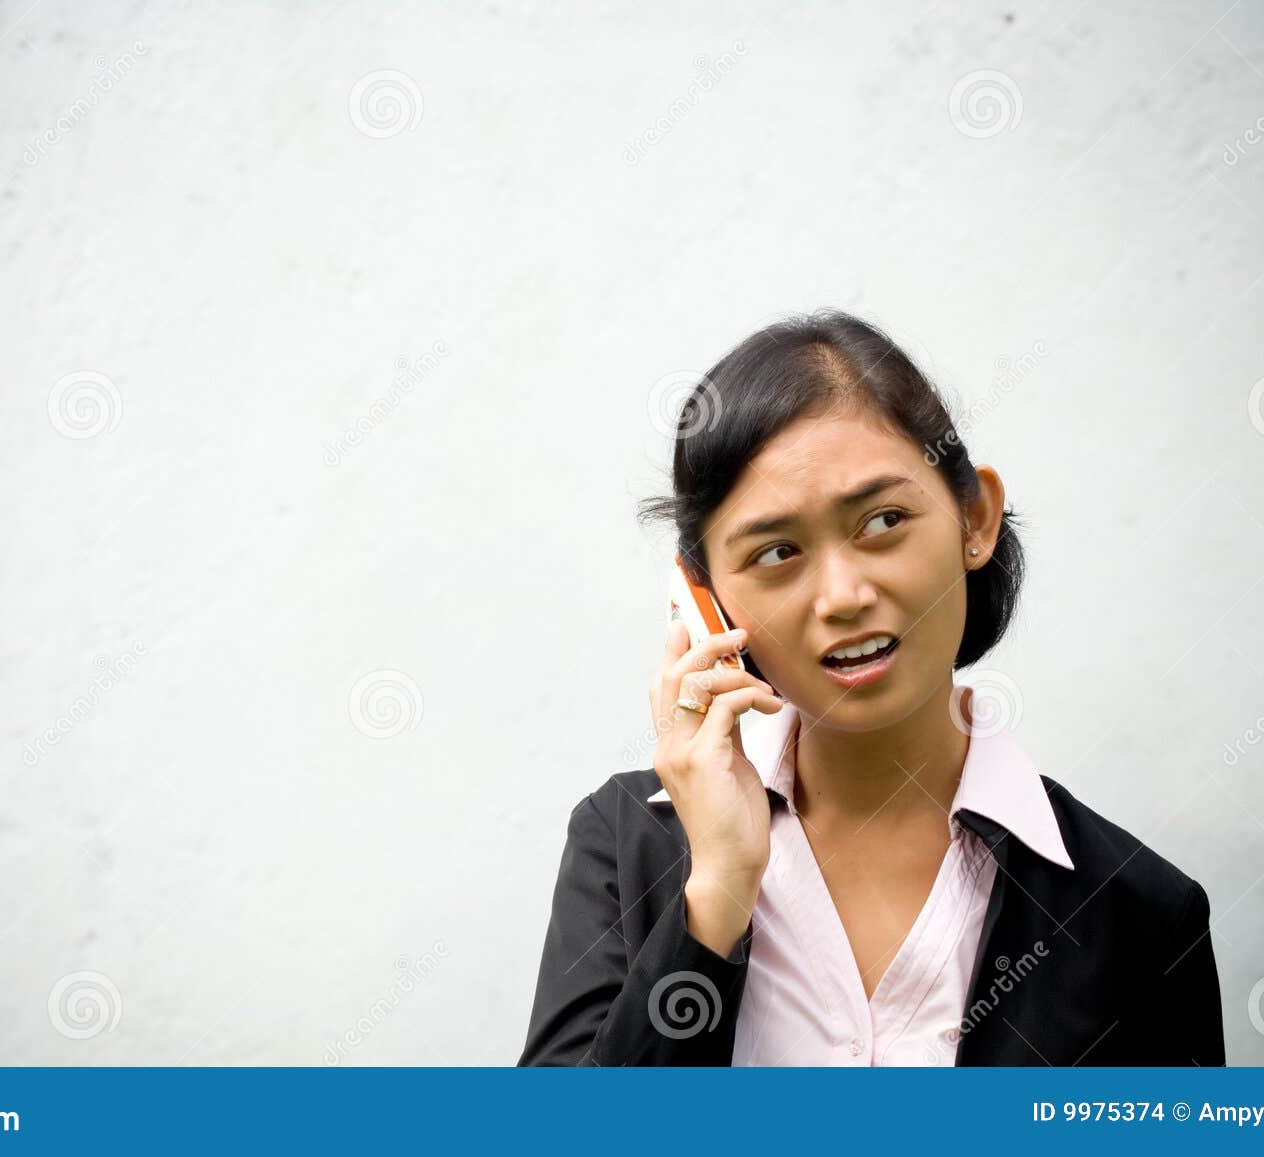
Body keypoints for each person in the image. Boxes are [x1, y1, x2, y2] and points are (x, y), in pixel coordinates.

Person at [517, 310, 1225, 1066]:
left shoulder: (1139, 911)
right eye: (777, 551)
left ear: (974, 518)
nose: (843, 594)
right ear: (706, 600)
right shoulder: (625, 844)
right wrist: (716, 893)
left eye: (884, 520)